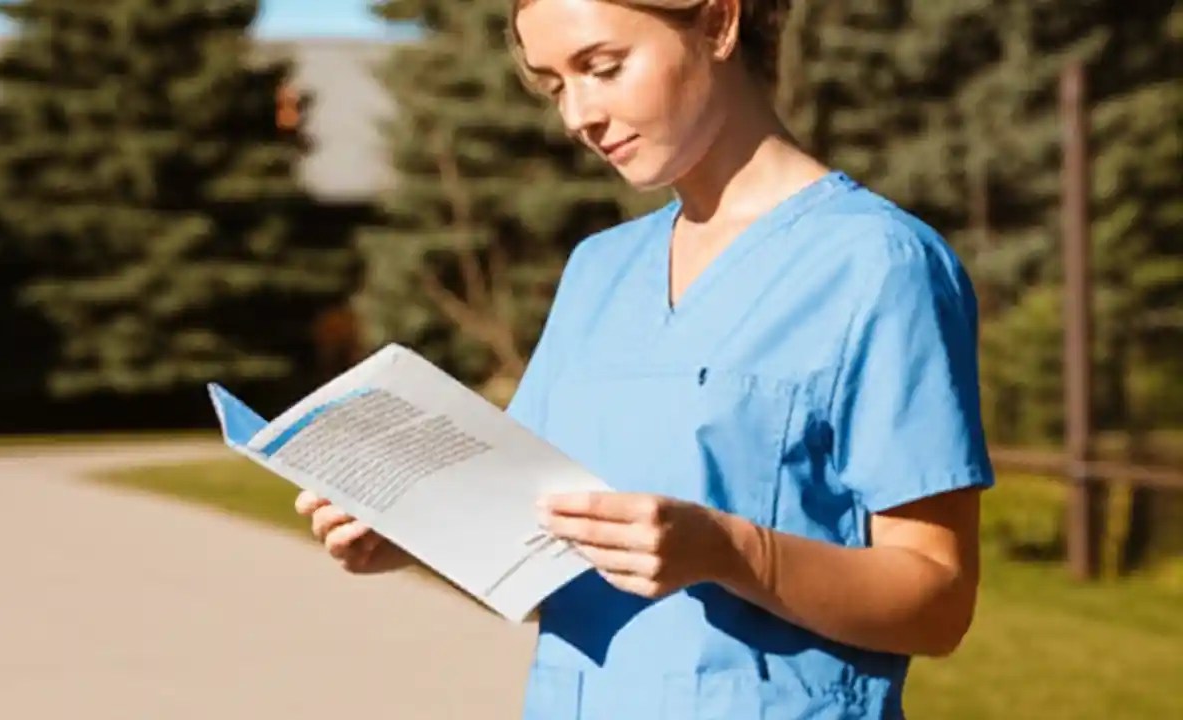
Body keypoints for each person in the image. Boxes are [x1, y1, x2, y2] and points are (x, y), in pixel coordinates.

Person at [295, 0, 996, 717]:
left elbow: (937, 602)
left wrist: (732, 551)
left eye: (602, 68)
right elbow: (540, 564)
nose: (578, 115)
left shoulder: (878, 264)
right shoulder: (598, 271)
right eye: (554, 85)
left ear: (720, 23)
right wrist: (417, 534)